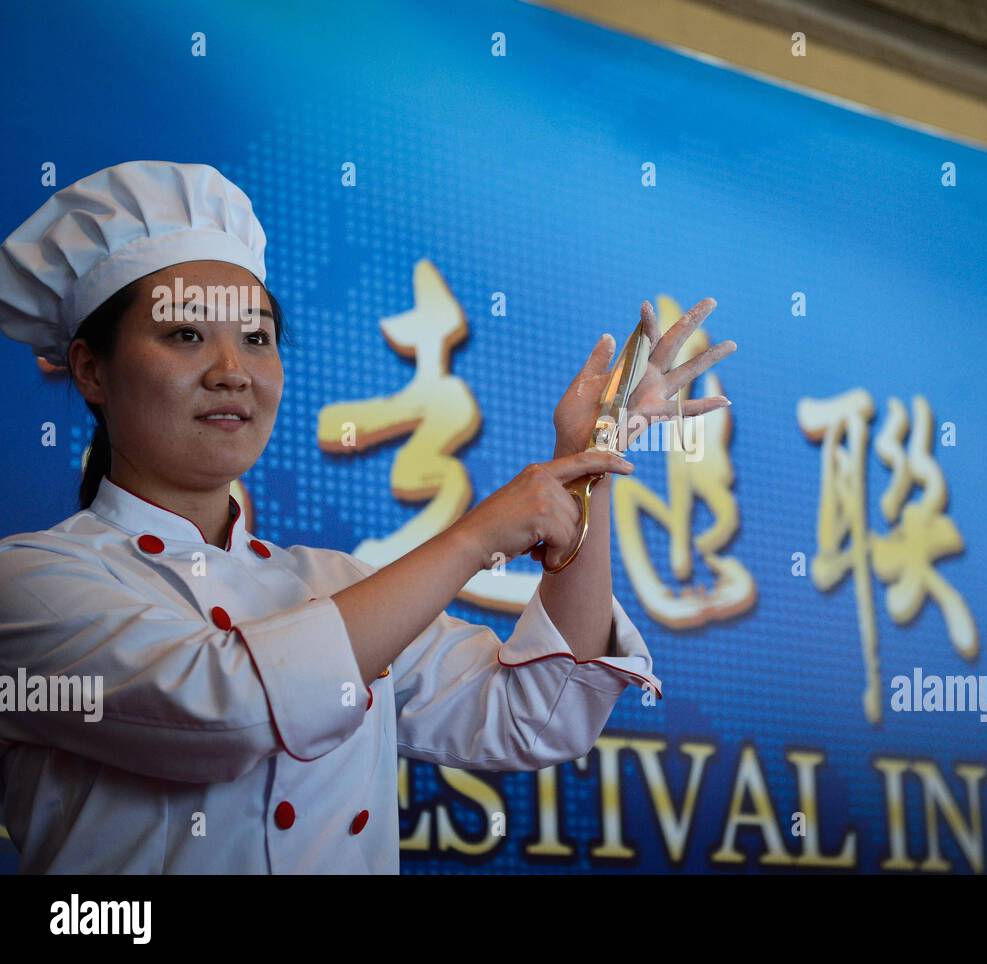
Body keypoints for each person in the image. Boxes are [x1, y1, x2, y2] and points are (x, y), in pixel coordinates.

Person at [0, 159, 736, 873]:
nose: (232, 369)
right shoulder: (31, 582)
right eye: (186, 334)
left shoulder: (329, 581)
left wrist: (594, 465)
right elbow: (222, 713)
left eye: (256, 338)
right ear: (92, 369)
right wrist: (474, 538)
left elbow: (535, 711)